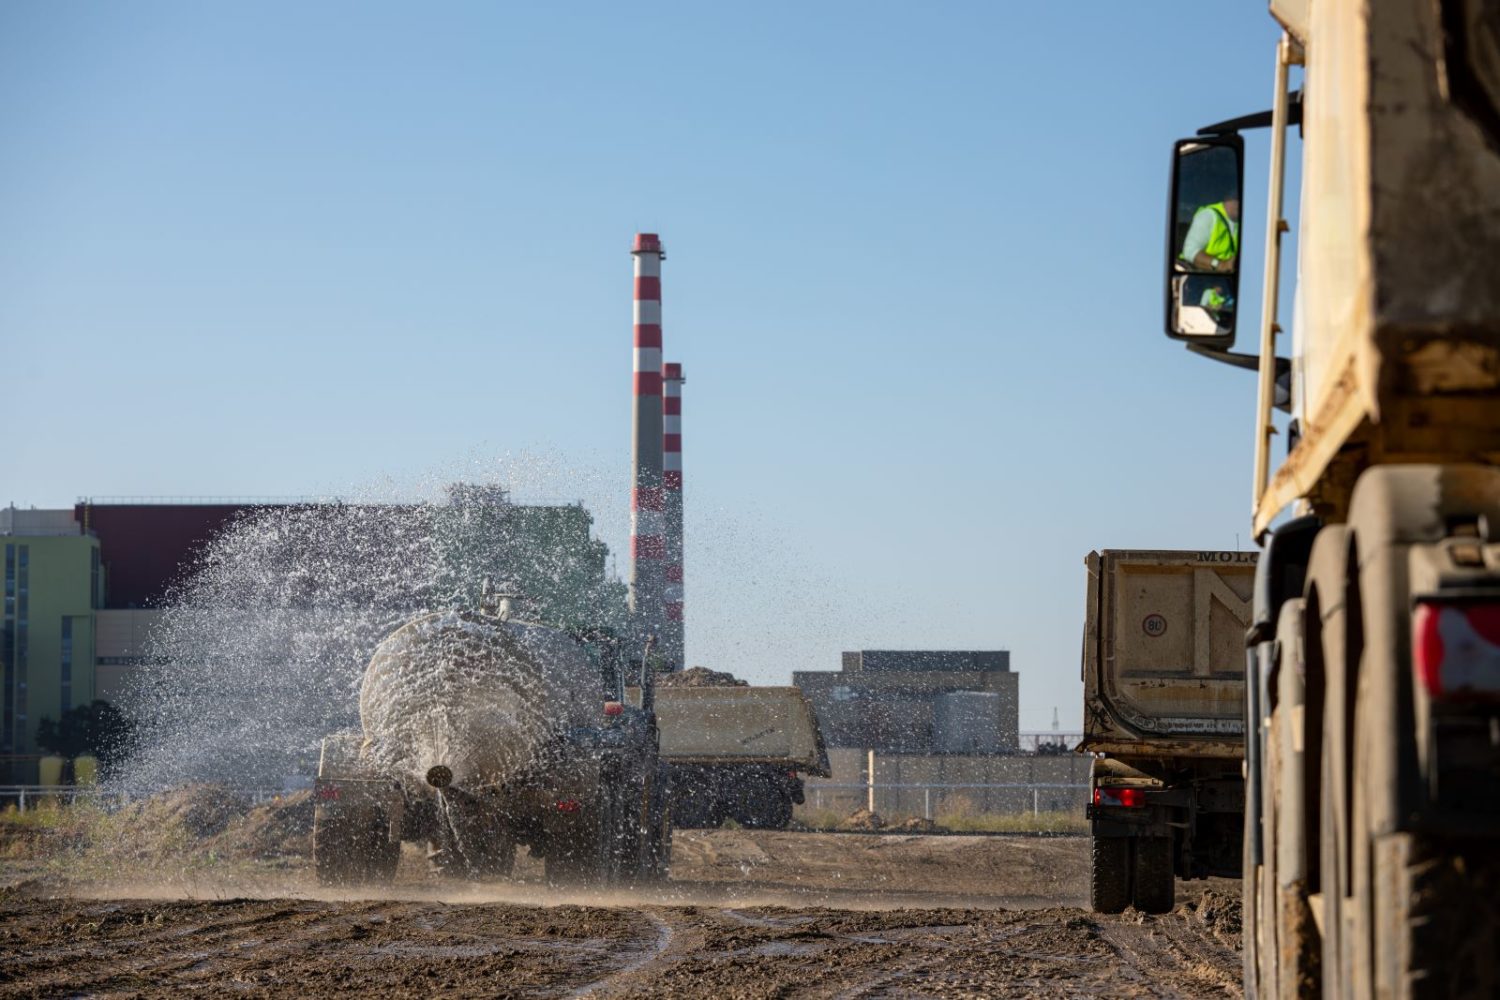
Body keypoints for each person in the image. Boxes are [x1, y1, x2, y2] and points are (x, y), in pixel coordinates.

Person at [1179, 192, 1239, 272]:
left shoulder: (1243, 223)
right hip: (1199, 276)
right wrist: (1221, 265)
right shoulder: (1208, 216)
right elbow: (1190, 251)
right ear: (1228, 199)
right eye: (1237, 198)